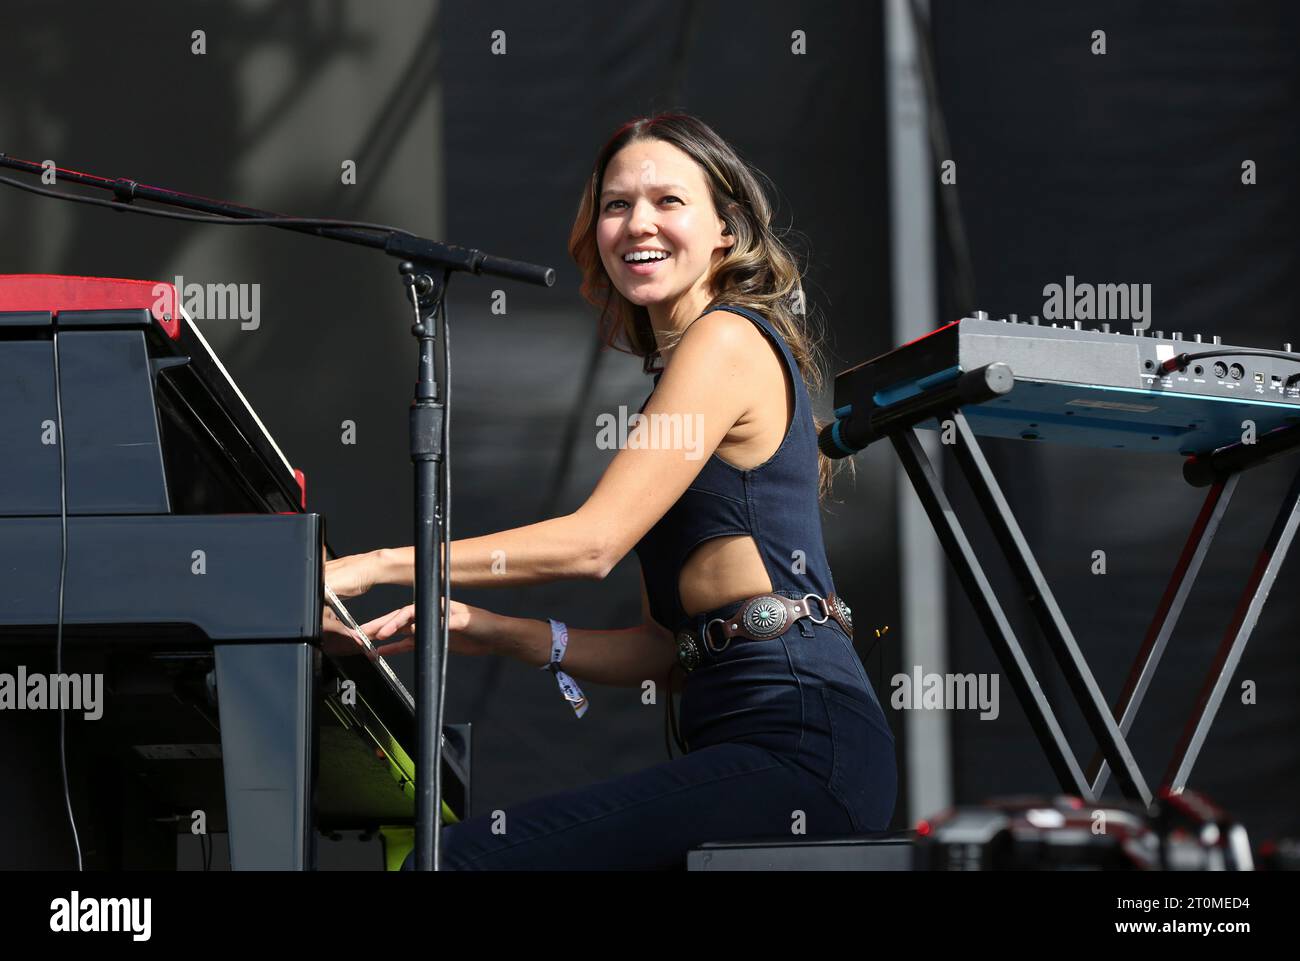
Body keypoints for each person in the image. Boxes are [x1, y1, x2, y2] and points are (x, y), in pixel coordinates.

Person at [324, 113, 897, 870]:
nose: (638, 223)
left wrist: (375, 563)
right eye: (617, 204)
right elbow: (661, 647)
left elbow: (594, 543)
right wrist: (478, 622)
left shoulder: (726, 339)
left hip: (799, 739)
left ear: (725, 230)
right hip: (760, 739)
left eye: (668, 201)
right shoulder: (686, 370)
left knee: (461, 862)